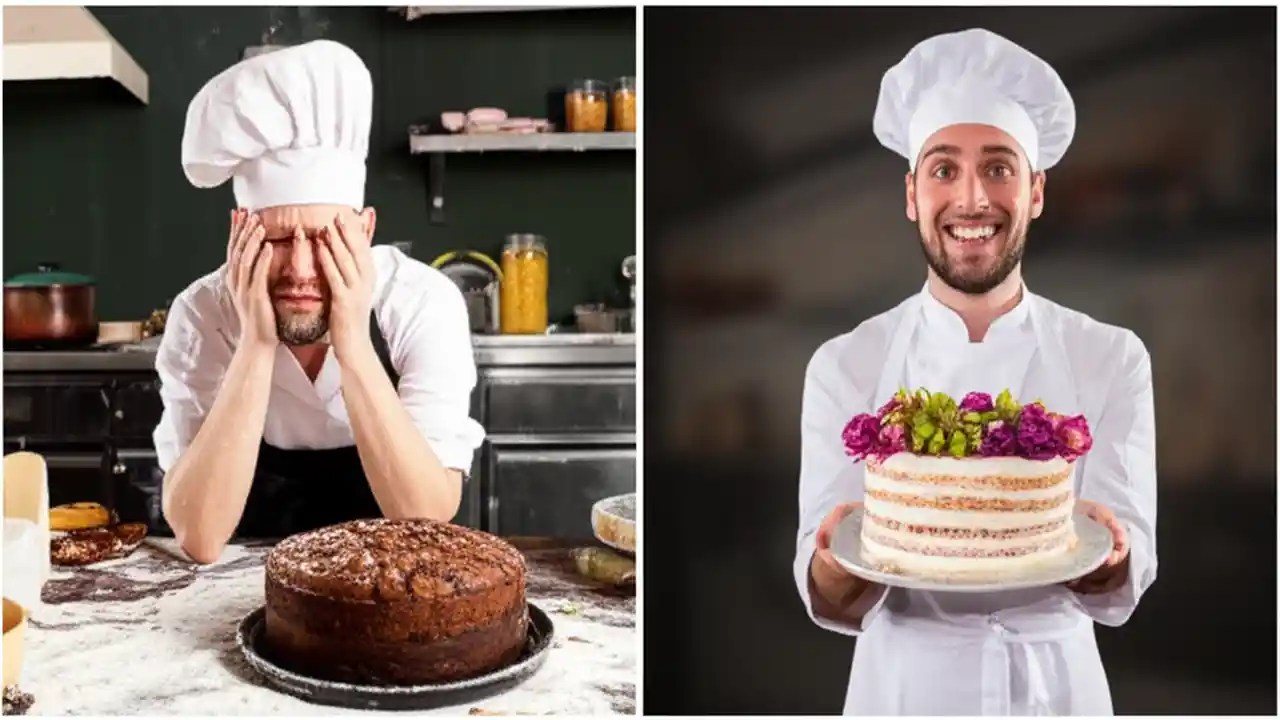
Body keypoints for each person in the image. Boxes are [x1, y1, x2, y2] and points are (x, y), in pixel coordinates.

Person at [792, 28, 1157, 715]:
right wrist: (834, 563)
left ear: (1036, 191)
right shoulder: (844, 365)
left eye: (998, 167)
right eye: (942, 169)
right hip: (902, 688)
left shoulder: (1113, 357)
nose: (971, 200)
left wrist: (1111, 555)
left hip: (1059, 687)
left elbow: (1122, 584)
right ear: (911, 193)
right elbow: (829, 593)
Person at [154, 40, 484, 564]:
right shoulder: (202, 316)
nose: (302, 270)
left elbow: (425, 518)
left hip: (394, 589)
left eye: (328, 237)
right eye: (279, 240)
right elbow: (199, 536)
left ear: (365, 228)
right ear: (241, 230)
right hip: (237, 594)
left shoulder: (422, 303)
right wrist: (257, 344)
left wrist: (353, 342)